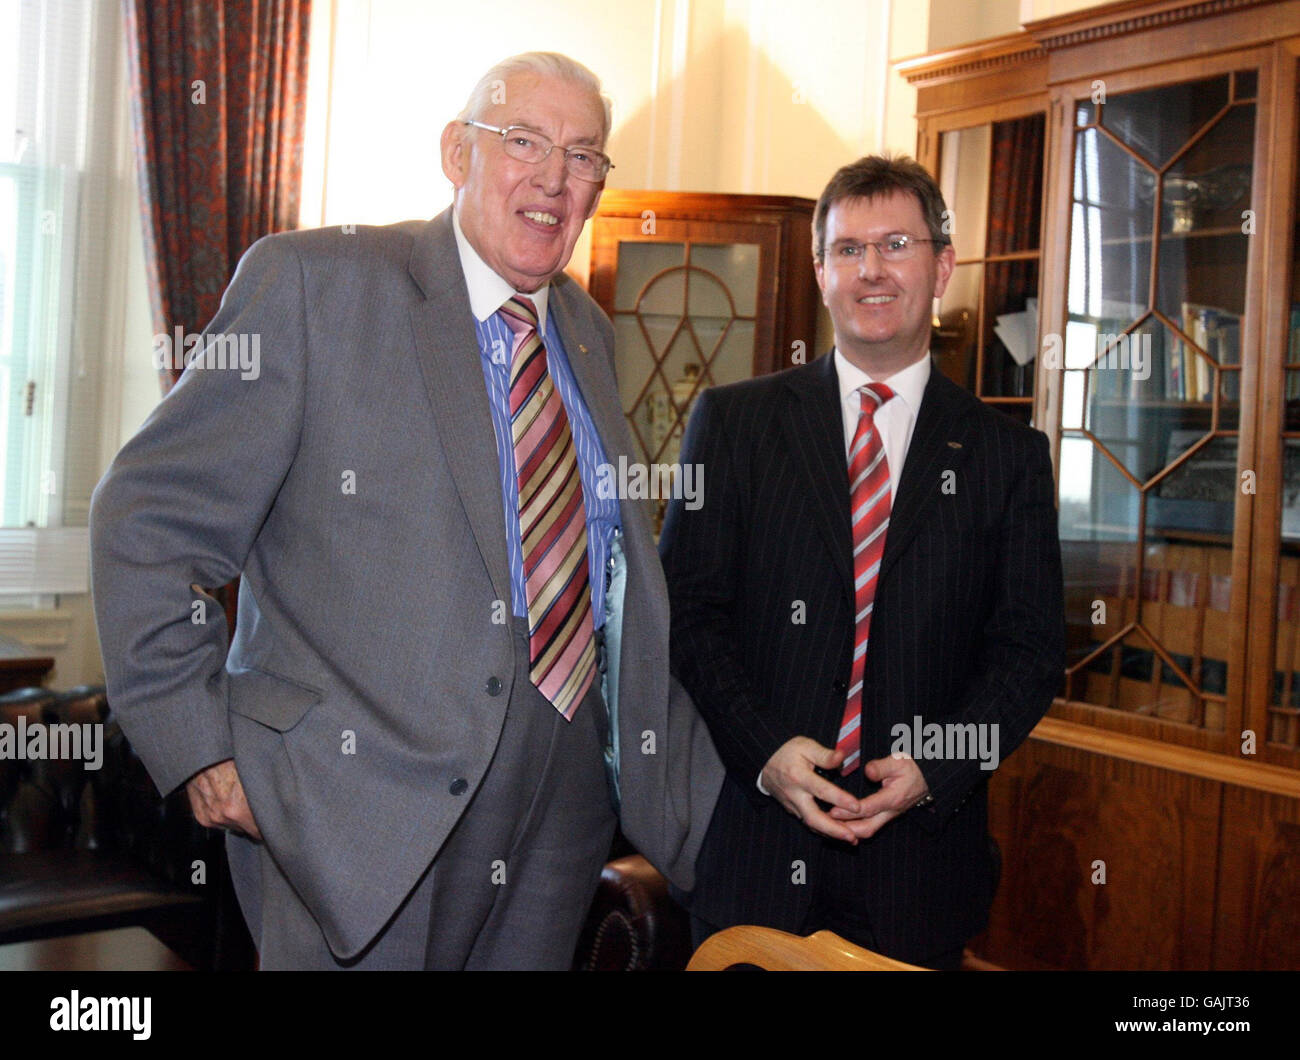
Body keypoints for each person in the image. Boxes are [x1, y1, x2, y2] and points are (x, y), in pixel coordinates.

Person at [90, 51, 721, 970]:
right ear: (457, 154)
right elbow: (145, 520)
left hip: (558, 821)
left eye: (585, 156)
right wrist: (201, 752)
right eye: (523, 142)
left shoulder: (585, 328)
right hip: (350, 812)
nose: (554, 177)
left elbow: (609, 574)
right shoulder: (314, 284)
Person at [659, 154, 1064, 970]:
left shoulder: (1007, 456)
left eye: (897, 245)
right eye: (848, 250)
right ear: (820, 270)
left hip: (919, 872)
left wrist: (938, 764)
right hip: (754, 852)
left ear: (942, 266)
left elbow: (1029, 656)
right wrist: (768, 753)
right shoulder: (733, 425)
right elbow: (689, 616)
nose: (871, 270)